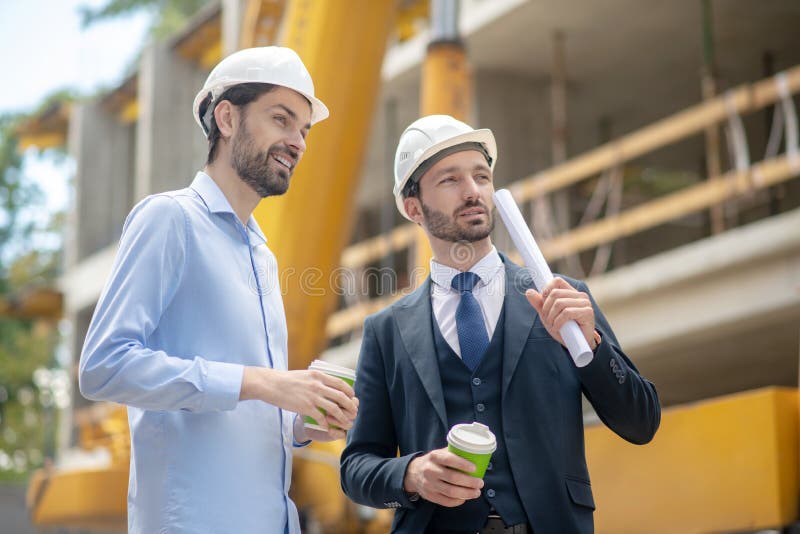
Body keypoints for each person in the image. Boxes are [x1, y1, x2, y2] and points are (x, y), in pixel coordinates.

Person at [79, 47, 358, 534]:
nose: (297, 142)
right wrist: (264, 382)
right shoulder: (170, 219)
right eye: (281, 119)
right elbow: (103, 368)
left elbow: (244, 405)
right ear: (227, 117)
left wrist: (301, 420)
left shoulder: (263, 256)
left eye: (304, 130)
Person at [340, 114, 660, 534]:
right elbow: (356, 467)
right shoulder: (387, 332)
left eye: (481, 176)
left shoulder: (561, 296)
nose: (473, 191)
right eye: (450, 180)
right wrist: (411, 474)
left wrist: (594, 350)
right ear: (414, 207)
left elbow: (642, 423)